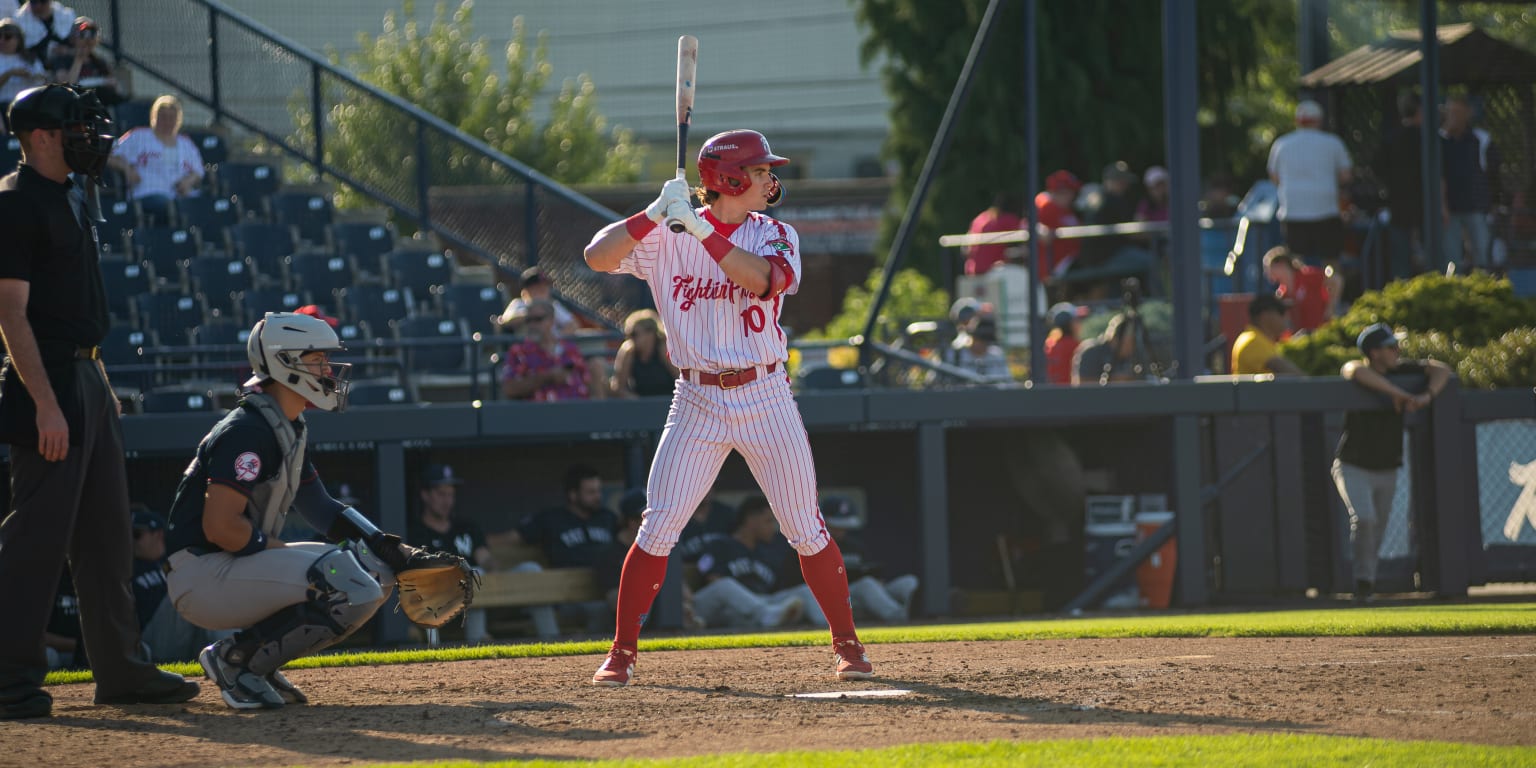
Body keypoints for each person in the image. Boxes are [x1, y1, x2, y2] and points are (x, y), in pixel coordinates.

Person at [583, 128, 874, 685]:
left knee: (804, 527)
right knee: (659, 524)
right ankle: (621, 653)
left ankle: (849, 647)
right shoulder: (668, 235)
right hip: (695, 397)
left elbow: (764, 280)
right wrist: (652, 214)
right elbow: (596, 256)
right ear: (732, 179)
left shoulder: (775, 233)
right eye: (761, 170)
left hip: (764, 393)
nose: (770, 178)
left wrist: (701, 229)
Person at [0, 84, 198, 720]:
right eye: (72, 127)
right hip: (47, 384)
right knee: (35, 540)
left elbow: (76, 311)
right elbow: (10, 315)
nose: (89, 136)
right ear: (39, 138)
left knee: (107, 538)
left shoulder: (73, 195)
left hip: (86, 377)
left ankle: (122, 671)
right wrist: (47, 405)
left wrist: (101, 383)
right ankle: (8, 680)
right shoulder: (14, 202)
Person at [162, 311, 460, 709]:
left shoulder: (285, 423)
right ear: (285, 361)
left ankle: (258, 659)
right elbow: (219, 527)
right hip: (202, 573)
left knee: (375, 568)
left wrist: (394, 549)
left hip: (230, 565)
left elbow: (322, 508)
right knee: (347, 578)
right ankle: (235, 660)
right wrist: (274, 548)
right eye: (317, 359)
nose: (327, 369)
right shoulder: (248, 430)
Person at [1333, 323, 1452, 602]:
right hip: (1352, 464)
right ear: (1374, 352)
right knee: (1364, 519)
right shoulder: (1362, 370)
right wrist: (1396, 393)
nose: (1396, 350)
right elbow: (1353, 370)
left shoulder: (1403, 370)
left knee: (1377, 528)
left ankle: (1366, 585)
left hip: (1386, 466)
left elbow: (1442, 370)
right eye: (1389, 347)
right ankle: (1363, 585)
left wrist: (1425, 396)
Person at [406, 463, 554, 642]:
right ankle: (477, 642)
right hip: (442, 604)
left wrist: (493, 567)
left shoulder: (466, 527)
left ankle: (551, 639)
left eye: (450, 494)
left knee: (530, 570)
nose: (447, 501)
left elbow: (484, 558)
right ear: (425, 495)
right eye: (441, 494)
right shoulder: (416, 532)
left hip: (484, 599)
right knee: (473, 575)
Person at [690, 495, 807, 630]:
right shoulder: (720, 544)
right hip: (721, 608)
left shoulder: (767, 552)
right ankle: (765, 616)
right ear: (751, 520)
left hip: (758, 606)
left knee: (803, 592)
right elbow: (714, 582)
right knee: (724, 585)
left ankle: (828, 623)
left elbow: (774, 592)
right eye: (768, 521)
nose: (773, 528)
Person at [130, 505, 224, 663]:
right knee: (191, 585)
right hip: (151, 641)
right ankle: (230, 656)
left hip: (186, 636)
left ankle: (227, 653)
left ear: (157, 535)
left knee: (209, 585)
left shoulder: (174, 559)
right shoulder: (130, 568)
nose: (131, 541)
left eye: (136, 534)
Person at [1268, 100, 1351, 265]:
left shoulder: (1282, 144)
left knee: (1297, 263)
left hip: (1293, 211)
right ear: (1319, 120)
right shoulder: (1333, 142)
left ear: (1297, 121)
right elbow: (1345, 176)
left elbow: (1274, 177)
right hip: (1326, 210)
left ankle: (1300, 290)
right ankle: (1332, 289)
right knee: (1331, 261)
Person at [105, 94, 204, 225]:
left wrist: (188, 181)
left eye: (171, 118)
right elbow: (107, 155)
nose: (167, 122)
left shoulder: (185, 143)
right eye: (163, 117)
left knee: (205, 207)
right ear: (154, 117)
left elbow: (198, 171)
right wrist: (126, 168)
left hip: (178, 194)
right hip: (148, 192)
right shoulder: (139, 136)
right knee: (170, 207)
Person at [1439, 94, 1499, 273]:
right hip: (1450, 210)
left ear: (1468, 113)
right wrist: (1443, 207)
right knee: (1451, 259)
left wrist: (1493, 203)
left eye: (1457, 112)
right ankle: (1453, 293)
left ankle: (1482, 291)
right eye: (1450, 112)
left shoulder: (1481, 139)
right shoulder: (1438, 141)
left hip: (1476, 208)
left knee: (1482, 255)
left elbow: (1493, 175)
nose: (1453, 117)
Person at [499, 297, 594, 401]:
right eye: (528, 320)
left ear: (552, 320)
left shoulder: (569, 349)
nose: (532, 325)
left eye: (538, 319)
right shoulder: (519, 352)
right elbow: (509, 389)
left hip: (575, 410)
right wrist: (547, 377)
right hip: (539, 413)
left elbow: (587, 381)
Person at [1374, 92, 1426, 279]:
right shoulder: (1426, 139)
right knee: (1428, 258)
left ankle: (1403, 292)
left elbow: (1377, 169)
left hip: (1398, 206)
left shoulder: (1390, 138)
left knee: (1401, 261)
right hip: (1422, 207)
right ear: (1420, 111)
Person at [46, 16, 126, 106]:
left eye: (92, 34)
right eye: (82, 34)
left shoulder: (98, 62)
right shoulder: (62, 59)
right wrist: (78, 59)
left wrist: (109, 84)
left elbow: (116, 90)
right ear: (73, 38)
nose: (87, 39)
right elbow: (65, 87)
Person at [1262, 245, 1334, 333]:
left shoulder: (1307, 275)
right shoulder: (1282, 294)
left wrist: (1329, 309)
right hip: (1303, 337)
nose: (1266, 273)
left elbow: (1336, 281)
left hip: (1322, 331)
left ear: (1280, 264)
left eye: (1268, 268)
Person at [610, 308, 678, 398]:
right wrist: (637, 402)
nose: (630, 338)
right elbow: (618, 388)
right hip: (640, 408)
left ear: (650, 334)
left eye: (634, 334)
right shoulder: (629, 351)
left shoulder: (663, 349)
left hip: (668, 405)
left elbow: (680, 380)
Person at [1230, 294, 1303, 376]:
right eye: (1281, 312)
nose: (1287, 317)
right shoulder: (1252, 340)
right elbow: (1287, 370)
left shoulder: (1262, 340)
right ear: (1265, 316)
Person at [497, 266, 577, 336]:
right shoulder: (518, 304)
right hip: (525, 349)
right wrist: (532, 314)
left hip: (549, 350)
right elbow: (505, 322)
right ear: (525, 293)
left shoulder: (553, 305)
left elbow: (572, 324)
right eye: (537, 289)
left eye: (545, 288)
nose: (543, 292)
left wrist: (555, 338)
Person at [1033, 170, 1082, 280]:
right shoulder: (1047, 207)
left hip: (1072, 263)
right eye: (1068, 191)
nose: (1072, 196)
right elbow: (1028, 225)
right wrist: (1040, 229)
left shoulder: (1069, 210)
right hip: (1055, 267)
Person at [1071, 313, 1141, 386]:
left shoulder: (1133, 356)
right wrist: (1119, 381)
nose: (1133, 347)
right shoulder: (1092, 353)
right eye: (1131, 342)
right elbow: (1084, 385)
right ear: (1115, 339)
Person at [962, 191, 1022, 276]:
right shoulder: (1007, 219)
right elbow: (1026, 231)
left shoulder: (979, 218)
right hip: (992, 272)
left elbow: (966, 248)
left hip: (972, 272)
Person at [944, 314, 1012, 383]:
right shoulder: (955, 355)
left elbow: (1008, 383)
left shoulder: (997, 356)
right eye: (978, 338)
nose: (981, 344)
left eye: (986, 340)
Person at [0, 18, 46, 111]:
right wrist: (10, 74)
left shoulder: (30, 59)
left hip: (27, 105)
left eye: (7, 37)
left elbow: (42, 81)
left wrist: (33, 76)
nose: (2, 41)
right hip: (3, 106)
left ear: (18, 39)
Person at [1043, 302, 1086, 385]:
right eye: (1076, 321)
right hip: (1069, 394)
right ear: (1069, 325)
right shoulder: (1076, 346)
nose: (1080, 324)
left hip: (1050, 391)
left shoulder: (1049, 344)